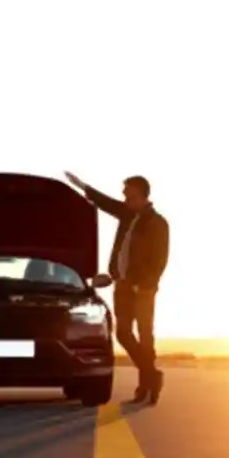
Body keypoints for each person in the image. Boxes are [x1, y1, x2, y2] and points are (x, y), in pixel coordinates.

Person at [64, 171, 169, 404]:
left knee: (145, 336)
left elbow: (160, 259)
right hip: (122, 284)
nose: (124, 199)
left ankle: (145, 386)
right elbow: (104, 202)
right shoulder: (125, 214)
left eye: (129, 195)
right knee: (122, 333)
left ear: (142, 196)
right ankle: (153, 376)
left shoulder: (158, 224)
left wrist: (146, 285)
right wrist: (83, 186)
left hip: (143, 289)